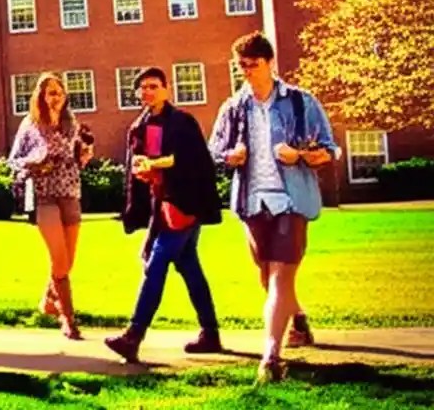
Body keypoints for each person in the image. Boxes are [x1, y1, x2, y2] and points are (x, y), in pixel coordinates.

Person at [209, 31, 340, 382]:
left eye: (253, 65)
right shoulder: (234, 107)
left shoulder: (300, 102)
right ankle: (297, 320)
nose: (247, 72)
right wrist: (229, 156)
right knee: (267, 276)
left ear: (270, 63)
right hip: (252, 200)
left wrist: (300, 156)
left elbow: (329, 149)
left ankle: (271, 356)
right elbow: (213, 151)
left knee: (282, 275)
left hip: (291, 199)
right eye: (242, 66)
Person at [104, 67, 224, 363]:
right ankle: (210, 332)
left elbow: (199, 162)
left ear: (166, 89)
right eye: (142, 87)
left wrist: (163, 164)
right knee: (189, 266)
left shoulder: (183, 122)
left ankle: (133, 335)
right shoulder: (138, 127)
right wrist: (141, 178)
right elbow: (135, 170)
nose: (148, 92)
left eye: (153, 86)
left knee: (156, 263)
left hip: (183, 204)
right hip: (160, 208)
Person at [6, 72, 94, 340]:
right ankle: (68, 319)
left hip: (69, 190)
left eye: (59, 92)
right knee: (59, 258)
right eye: (50, 93)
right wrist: (35, 163)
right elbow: (14, 161)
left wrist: (84, 155)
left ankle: (47, 298)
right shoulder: (31, 124)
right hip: (44, 194)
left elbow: (76, 156)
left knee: (68, 260)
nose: (56, 97)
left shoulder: (71, 123)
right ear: (41, 97)